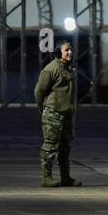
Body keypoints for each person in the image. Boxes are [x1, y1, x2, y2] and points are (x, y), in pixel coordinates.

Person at [34, 41, 81, 188]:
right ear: (58, 52)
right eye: (67, 50)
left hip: (67, 113)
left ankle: (65, 177)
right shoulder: (51, 69)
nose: (70, 52)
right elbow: (39, 91)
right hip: (53, 113)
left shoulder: (69, 69)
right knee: (50, 146)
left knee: (65, 146)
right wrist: (44, 108)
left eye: (70, 49)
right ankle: (46, 177)